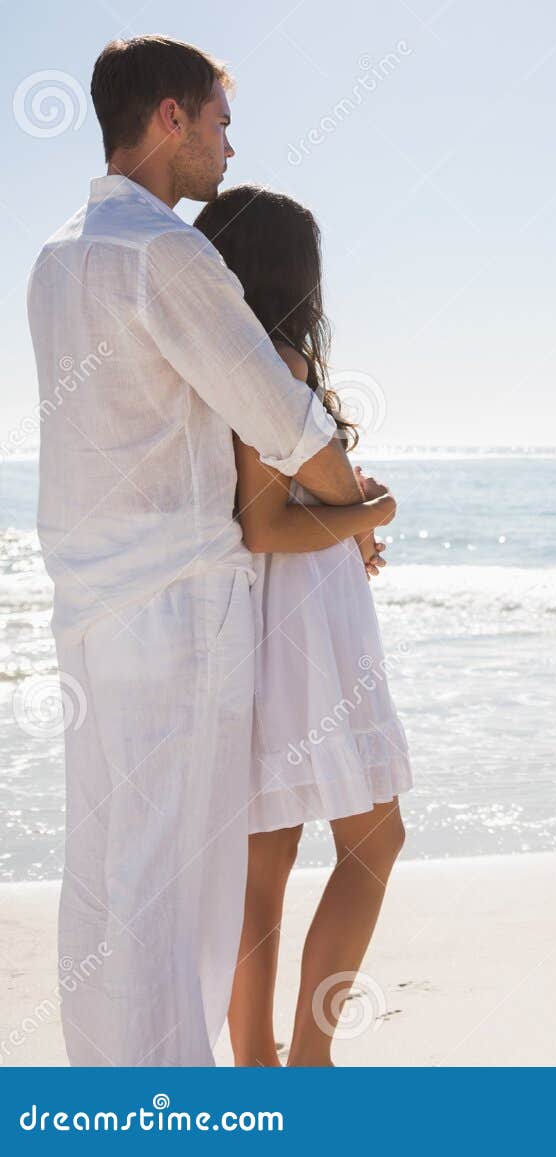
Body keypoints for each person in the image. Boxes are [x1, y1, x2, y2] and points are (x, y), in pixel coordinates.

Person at [25, 35, 396, 1066]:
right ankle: (168, 1109)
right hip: (176, 606)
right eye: (220, 123)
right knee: (172, 880)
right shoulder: (164, 253)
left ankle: (115, 1092)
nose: (229, 149)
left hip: (89, 606)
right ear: (171, 118)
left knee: (108, 870)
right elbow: (280, 418)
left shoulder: (56, 258)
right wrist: (365, 508)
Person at [193, 185, 412, 1067]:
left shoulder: (230, 361)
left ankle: (258, 1066)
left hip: (268, 619)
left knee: (266, 857)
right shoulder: (274, 362)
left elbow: (280, 501)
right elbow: (266, 523)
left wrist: (350, 509)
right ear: (291, 273)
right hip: (306, 630)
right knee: (374, 839)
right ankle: (308, 1064)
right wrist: (373, 512)